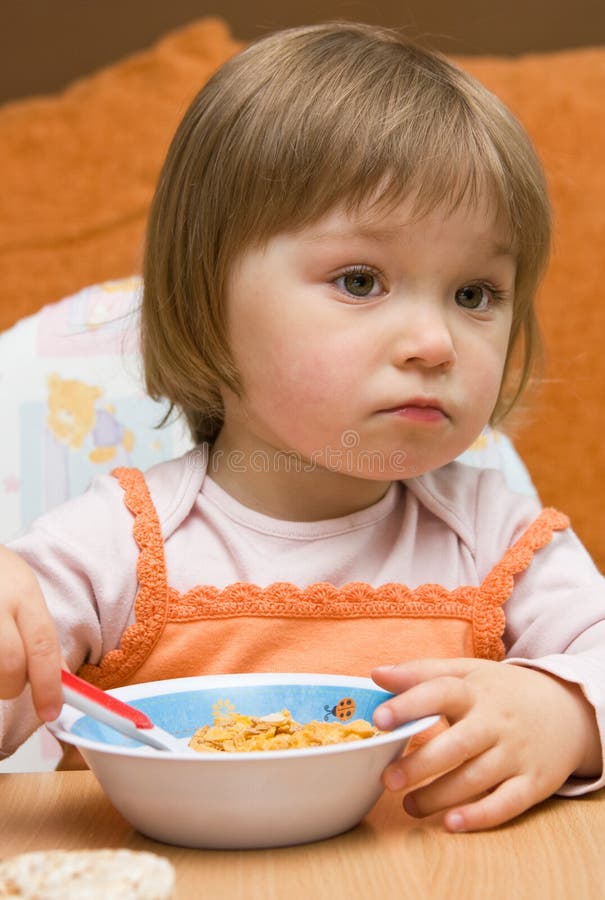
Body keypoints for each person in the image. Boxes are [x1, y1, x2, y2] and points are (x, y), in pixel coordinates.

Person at [1, 22, 603, 833]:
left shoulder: (496, 539)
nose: (434, 343)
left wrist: (566, 710)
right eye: (359, 280)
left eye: (473, 295)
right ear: (206, 301)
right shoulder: (115, 549)